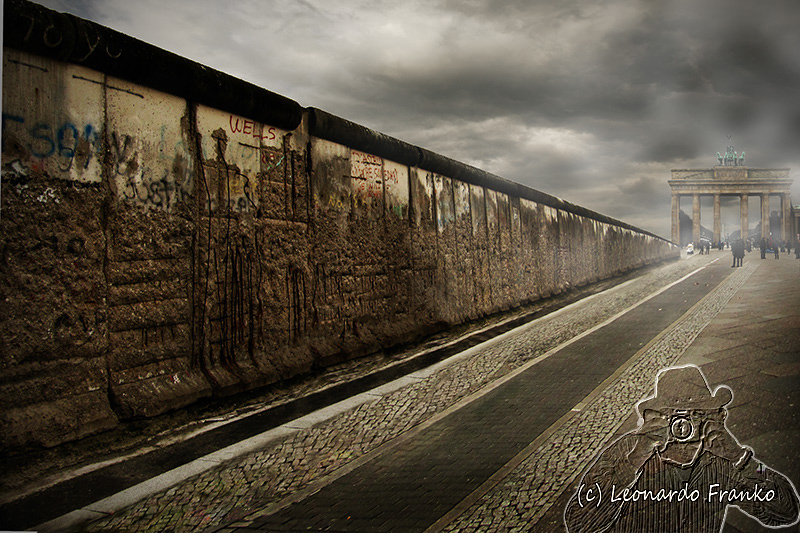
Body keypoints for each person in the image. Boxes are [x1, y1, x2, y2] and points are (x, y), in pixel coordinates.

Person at [564, 365, 800, 533]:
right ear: (657, 417)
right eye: (673, 416)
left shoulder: (721, 458)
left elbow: (785, 511)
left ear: (713, 418)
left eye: (696, 414)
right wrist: (633, 461)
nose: (683, 425)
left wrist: (742, 460)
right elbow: (579, 522)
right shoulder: (630, 448)